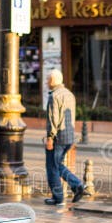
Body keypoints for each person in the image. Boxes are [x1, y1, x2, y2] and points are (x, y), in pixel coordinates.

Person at [44, 69, 85, 207]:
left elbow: (53, 119)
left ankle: (58, 198)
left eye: (47, 79)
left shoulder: (54, 96)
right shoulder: (69, 94)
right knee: (58, 165)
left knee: (52, 167)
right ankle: (77, 185)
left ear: (52, 81)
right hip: (69, 137)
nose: (45, 82)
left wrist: (50, 137)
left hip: (58, 137)